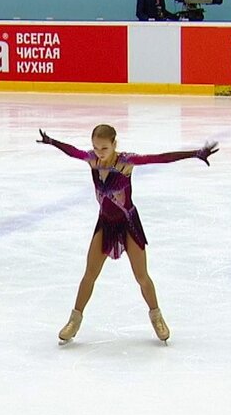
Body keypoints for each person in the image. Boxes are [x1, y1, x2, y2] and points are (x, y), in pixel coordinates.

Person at [38, 126, 218, 345]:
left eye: (104, 147)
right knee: (89, 274)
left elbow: (161, 159)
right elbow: (73, 151)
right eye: (96, 147)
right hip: (105, 223)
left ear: (115, 144)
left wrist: (194, 154)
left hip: (128, 223)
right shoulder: (92, 160)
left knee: (142, 276)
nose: (99, 152)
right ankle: (74, 321)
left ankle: (157, 317)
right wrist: (52, 142)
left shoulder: (126, 163)